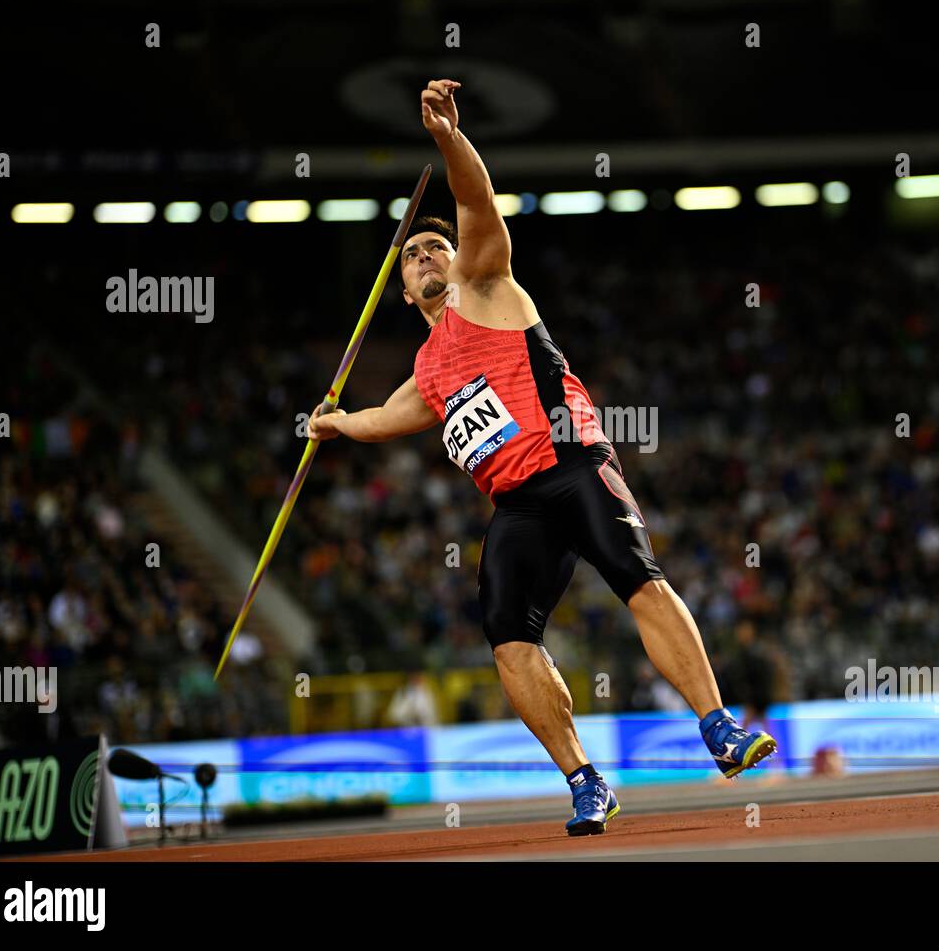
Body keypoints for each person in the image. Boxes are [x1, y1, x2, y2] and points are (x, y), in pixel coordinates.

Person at [308, 77, 776, 835]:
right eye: (414, 255)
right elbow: (379, 420)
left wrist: (449, 140)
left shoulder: (484, 284)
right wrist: (331, 425)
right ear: (401, 290)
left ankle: (718, 726)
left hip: (573, 462)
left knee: (638, 579)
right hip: (518, 504)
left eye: (436, 246)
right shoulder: (425, 373)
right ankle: (586, 781)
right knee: (507, 640)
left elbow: (475, 205)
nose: (428, 254)